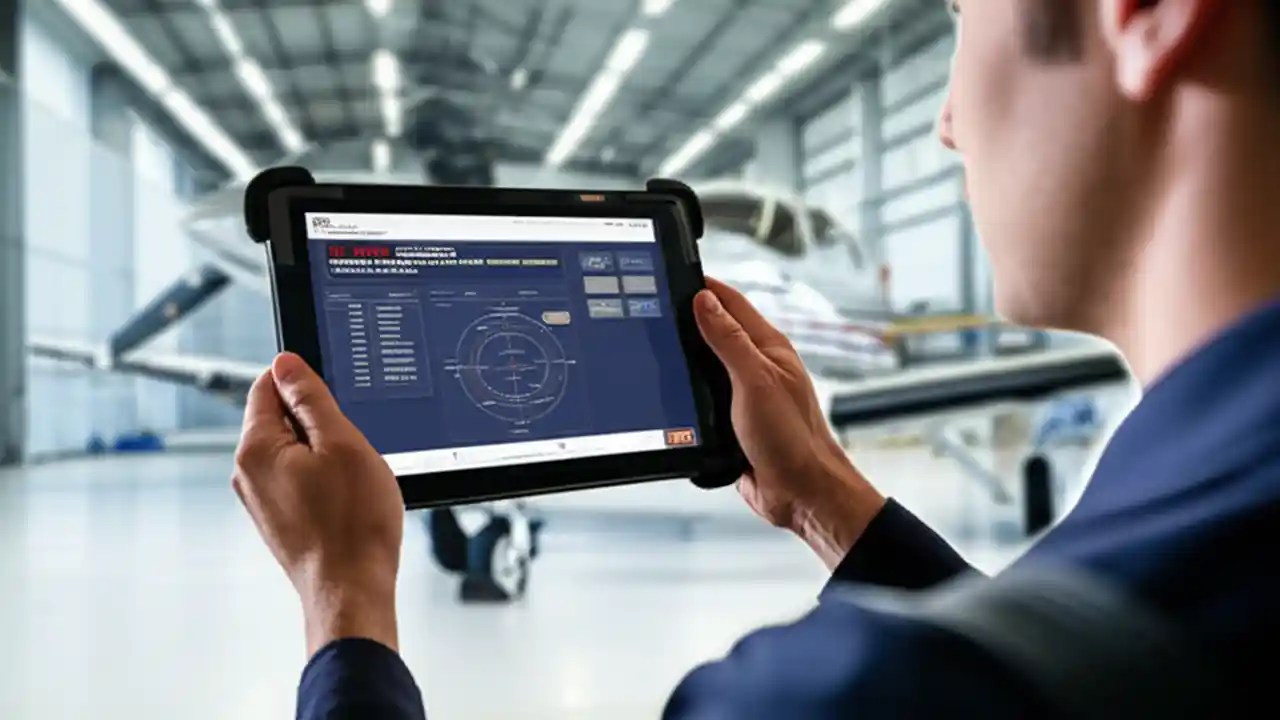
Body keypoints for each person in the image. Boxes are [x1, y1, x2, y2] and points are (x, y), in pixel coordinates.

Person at [232, 0, 1280, 716]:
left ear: (1146, 12)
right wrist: (824, 494)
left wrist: (345, 598)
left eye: (964, 14)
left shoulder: (841, 700)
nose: (946, 122)